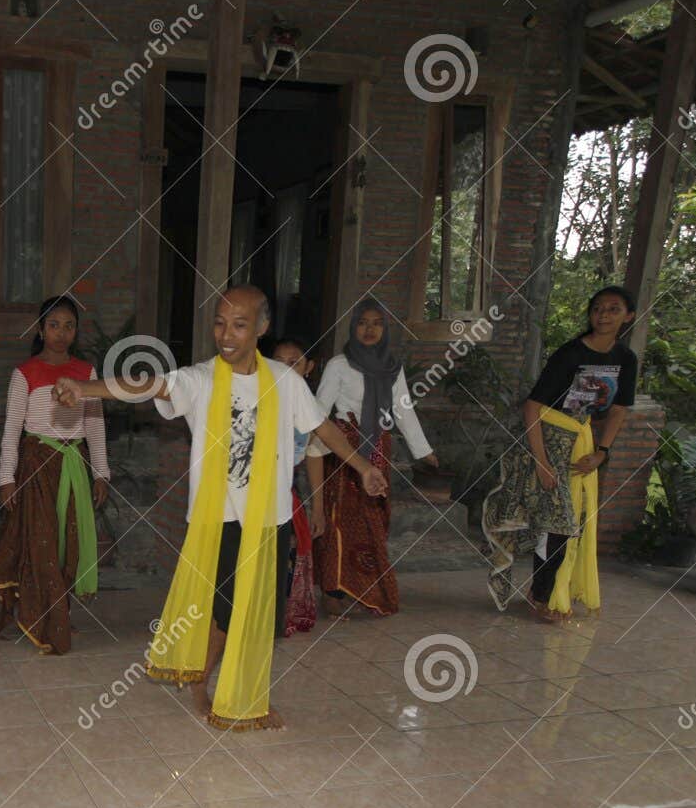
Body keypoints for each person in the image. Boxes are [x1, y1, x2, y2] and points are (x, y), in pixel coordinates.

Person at [54, 286, 389, 729]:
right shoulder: (202, 379)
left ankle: (228, 687)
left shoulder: (284, 381)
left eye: (239, 324)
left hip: (272, 519)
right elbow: (149, 383)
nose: (225, 335)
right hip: (225, 520)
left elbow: (323, 429)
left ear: (262, 328)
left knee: (259, 615)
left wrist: (363, 466)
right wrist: (85, 387)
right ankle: (213, 687)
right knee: (230, 609)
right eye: (219, 323)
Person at [483, 286, 636, 620]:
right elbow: (532, 407)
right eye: (598, 308)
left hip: (581, 444)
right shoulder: (570, 354)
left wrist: (602, 452)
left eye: (613, 309)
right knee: (557, 522)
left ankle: (551, 592)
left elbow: (620, 408)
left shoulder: (626, 359)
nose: (604, 315)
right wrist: (541, 462)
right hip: (546, 440)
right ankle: (543, 596)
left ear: (628, 316)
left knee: (569, 522)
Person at [0, 295, 110, 655]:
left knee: (68, 544)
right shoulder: (24, 373)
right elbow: (11, 429)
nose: (61, 332)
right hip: (36, 466)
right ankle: (41, 617)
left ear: (76, 331)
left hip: (74, 465)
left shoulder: (86, 373)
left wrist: (101, 473)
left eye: (68, 325)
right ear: (41, 329)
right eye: (53, 325)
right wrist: (5, 478)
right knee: (39, 543)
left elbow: (95, 425)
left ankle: (59, 610)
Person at [308, 297, 438, 619]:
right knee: (339, 519)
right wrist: (308, 440)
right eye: (364, 323)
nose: (370, 329)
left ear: (385, 329)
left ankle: (366, 586)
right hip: (343, 450)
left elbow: (403, 410)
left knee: (374, 521)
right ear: (354, 327)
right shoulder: (339, 364)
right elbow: (321, 409)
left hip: (378, 450)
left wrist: (424, 450)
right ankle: (333, 589)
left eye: (376, 323)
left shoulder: (393, 367)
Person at [270, 337, 324, 637]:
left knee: (289, 552)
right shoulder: (257, 399)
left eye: (294, 363)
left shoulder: (310, 408)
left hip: (285, 493)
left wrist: (318, 508)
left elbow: (314, 456)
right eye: (279, 362)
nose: (286, 369)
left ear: (308, 368)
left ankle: (279, 615)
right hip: (248, 494)